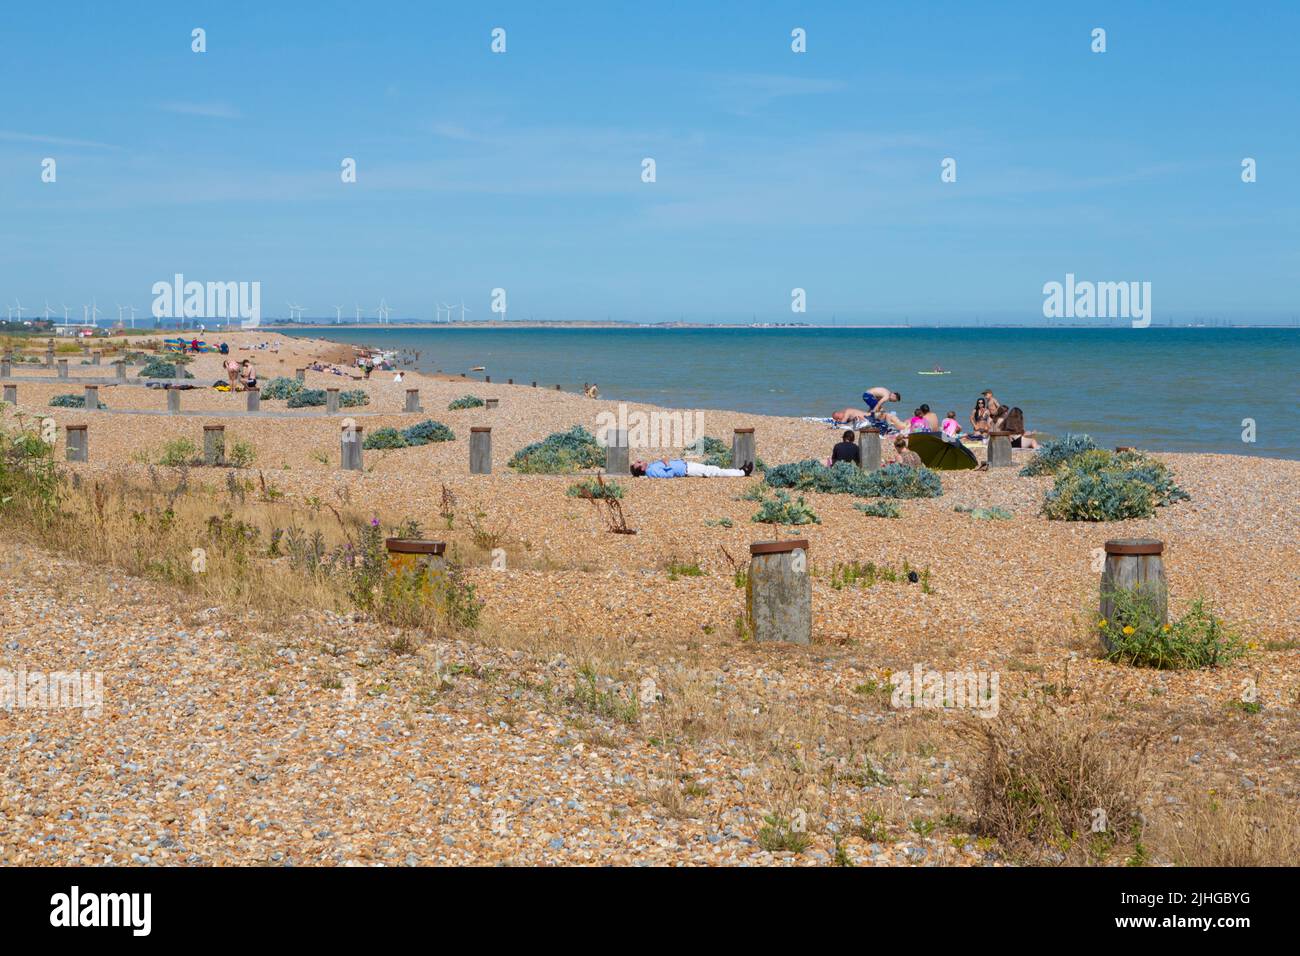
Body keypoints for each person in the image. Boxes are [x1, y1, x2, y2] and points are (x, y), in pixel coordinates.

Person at [631, 457, 753, 478]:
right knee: (713, 471)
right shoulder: (651, 471)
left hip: (686, 466)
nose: (640, 461)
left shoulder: (651, 468)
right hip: (687, 470)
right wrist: (667, 462)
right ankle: (743, 472)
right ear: (641, 469)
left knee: (712, 469)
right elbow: (668, 475)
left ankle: (739, 470)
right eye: (639, 462)